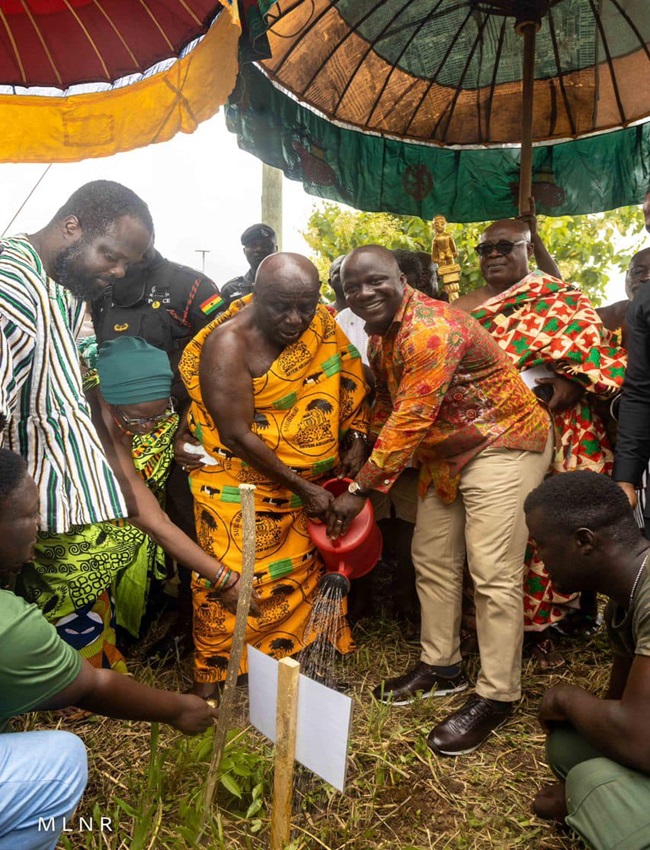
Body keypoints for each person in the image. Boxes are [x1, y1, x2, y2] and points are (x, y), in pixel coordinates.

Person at [328, 245, 553, 756]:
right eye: (353, 288)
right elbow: (387, 399)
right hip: (447, 451)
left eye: (375, 281)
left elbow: (410, 417)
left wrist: (361, 489)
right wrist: (362, 432)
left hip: (503, 439)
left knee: (492, 569)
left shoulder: (430, 328)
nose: (364, 294)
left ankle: (498, 694)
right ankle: (442, 666)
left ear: (401, 278)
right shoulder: (380, 337)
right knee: (431, 557)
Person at [0, 448, 218, 850]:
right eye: (29, 515)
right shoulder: (9, 624)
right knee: (60, 760)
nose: (39, 526)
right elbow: (91, 686)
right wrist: (180, 709)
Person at [179, 253, 369, 699]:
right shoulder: (228, 344)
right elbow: (236, 434)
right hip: (236, 486)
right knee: (229, 581)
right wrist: (303, 489)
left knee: (300, 574)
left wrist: (357, 433)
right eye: (281, 306)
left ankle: (288, 665)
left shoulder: (320, 326)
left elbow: (350, 381)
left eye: (305, 305)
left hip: (306, 489)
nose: (295, 319)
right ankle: (217, 679)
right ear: (255, 296)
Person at [455, 218, 626, 665]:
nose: (493, 254)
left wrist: (571, 385)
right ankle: (524, 629)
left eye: (505, 245)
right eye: (484, 248)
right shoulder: (464, 308)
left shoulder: (560, 298)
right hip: (495, 435)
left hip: (565, 429)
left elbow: (598, 357)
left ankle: (566, 618)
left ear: (528, 248)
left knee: (567, 525)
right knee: (516, 534)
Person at [17, 336, 256, 653]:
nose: (149, 427)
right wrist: (224, 578)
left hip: (107, 558)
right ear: (108, 400)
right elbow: (153, 520)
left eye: (159, 415)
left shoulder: (127, 412)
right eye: (138, 419)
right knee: (74, 639)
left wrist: (179, 431)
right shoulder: (91, 431)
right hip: (67, 555)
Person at [0, 181, 154, 668]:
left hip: (59, 510)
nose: (118, 271)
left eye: (127, 263)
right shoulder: (10, 287)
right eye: (111, 255)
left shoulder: (62, 288)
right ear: (72, 227)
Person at [525, 471, 650, 850]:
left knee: (589, 780)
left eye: (542, 546)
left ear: (583, 541)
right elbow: (617, 707)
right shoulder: (624, 598)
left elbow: (638, 738)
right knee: (567, 746)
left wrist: (564, 698)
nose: (540, 561)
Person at [90, 241, 223, 402]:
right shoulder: (100, 286)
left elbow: (219, 362)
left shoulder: (195, 286)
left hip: (178, 408)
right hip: (114, 409)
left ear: (149, 235)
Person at [220, 224, 277, 308]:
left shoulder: (291, 286)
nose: (259, 249)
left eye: (265, 245)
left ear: (276, 249)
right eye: (252, 245)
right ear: (244, 251)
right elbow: (216, 320)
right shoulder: (230, 290)